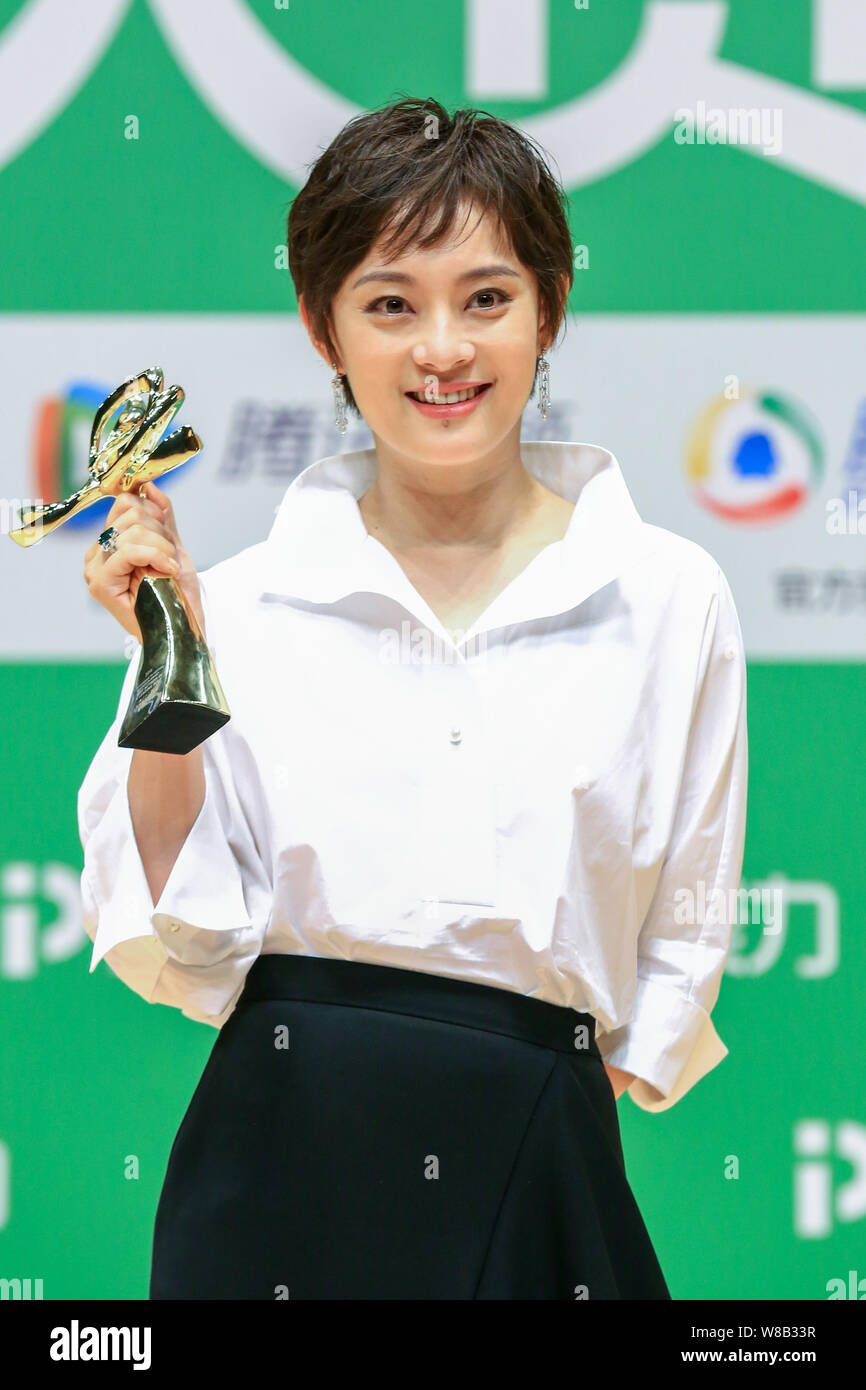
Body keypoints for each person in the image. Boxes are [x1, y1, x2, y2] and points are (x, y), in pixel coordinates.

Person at [78, 97, 747, 1300]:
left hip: (544, 1154)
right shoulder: (236, 602)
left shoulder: (665, 595)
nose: (441, 347)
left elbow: (684, 925)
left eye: (485, 298)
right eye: (390, 304)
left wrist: (548, 1086)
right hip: (275, 1165)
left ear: (549, 308)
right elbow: (185, 935)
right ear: (320, 327)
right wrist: (164, 648)